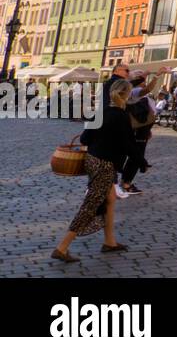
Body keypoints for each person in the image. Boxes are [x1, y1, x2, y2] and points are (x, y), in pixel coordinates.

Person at [51, 78, 135, 262]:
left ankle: (110, 242)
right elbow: (129, 145)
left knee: (110, 199)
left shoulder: (100, 111)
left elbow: (84, 139)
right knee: (91, 205)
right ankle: (62, 247)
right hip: (105, 164)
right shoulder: (121, 116)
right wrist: (141, 161)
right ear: (127, 95)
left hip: (92, 160)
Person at [120, 76, 157, 194]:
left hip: (141, 130)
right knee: (136, 157)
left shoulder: (133, 92)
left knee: (134, 156)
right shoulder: (135, 91)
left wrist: (148, 130)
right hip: (138, 131)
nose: (144, 81)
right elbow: (147, 90)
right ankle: (126, 184)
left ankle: (125, 181)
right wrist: (157, 76)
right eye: (142, 79)